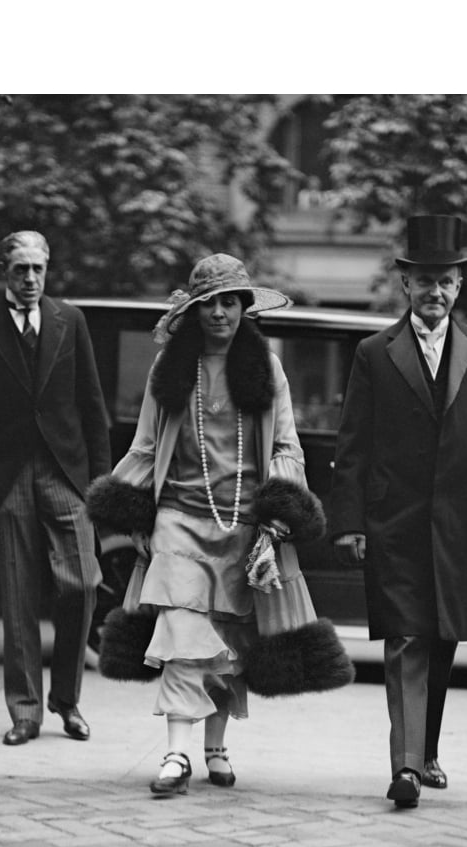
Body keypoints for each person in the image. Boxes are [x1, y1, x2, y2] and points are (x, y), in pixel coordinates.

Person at [86, 253, 353, 796]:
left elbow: (285, 446)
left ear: (244, 308)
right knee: (183, 633)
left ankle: (215, 745)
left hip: (244, 527)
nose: (220, 314)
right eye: (210, 304)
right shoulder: (170, 368)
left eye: (230, 302)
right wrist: (134, 510)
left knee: (229, 640)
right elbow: (143, 446)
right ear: (194, 310)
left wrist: (277, 523)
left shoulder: (267, 369)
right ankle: (177, 755)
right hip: (178, 521)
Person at [329, 215, 467, 809]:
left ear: (458, 287)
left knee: (443, 637)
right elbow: (354, 445)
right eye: (425, 281)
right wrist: (348, 522)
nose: (436, 293)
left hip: (464, 525)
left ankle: (427, 750)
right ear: (406, 284)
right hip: (395, 524)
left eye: (446, 282)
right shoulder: (374, 353)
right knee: (407, 640)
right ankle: (405, 769)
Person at [0, 232, 110, 746]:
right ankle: (24, 712)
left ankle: (66, 700)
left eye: (38, 269)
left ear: (48, 270)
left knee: (83, 583)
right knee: (18, 597)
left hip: (65, 472)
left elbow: (93, 407)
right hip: (7, 476)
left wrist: (101, 485)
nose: (29, 279)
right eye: (20, 269)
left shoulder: (72, 321)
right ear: (3, 270)